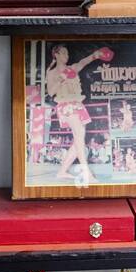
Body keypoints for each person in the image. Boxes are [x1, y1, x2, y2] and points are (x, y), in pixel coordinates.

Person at [44, 44, 110, 183]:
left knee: (79, 139)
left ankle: (62, 172)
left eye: (67, 54)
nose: (66, 56)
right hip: (65, 105)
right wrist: (62, 78)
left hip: (78, 104)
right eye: (63, 53)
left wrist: (96, 54)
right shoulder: (51, 72)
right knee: (79, 134)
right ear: (56, 54)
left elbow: (83, 62)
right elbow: (50, 92)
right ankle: (86, 172)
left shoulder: (72, 68)